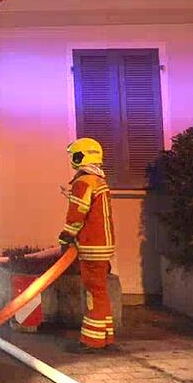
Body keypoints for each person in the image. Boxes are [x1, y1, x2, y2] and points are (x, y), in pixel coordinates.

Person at [58, 137, 116, 352]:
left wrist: (66, 236)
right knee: (101, 292)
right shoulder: (99, 181)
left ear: (79, 156)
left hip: (91, 246)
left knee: (93, 293)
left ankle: (91, 341)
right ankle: (106, 337)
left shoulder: (84, 182)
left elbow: (77, 214)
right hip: (103, 245)